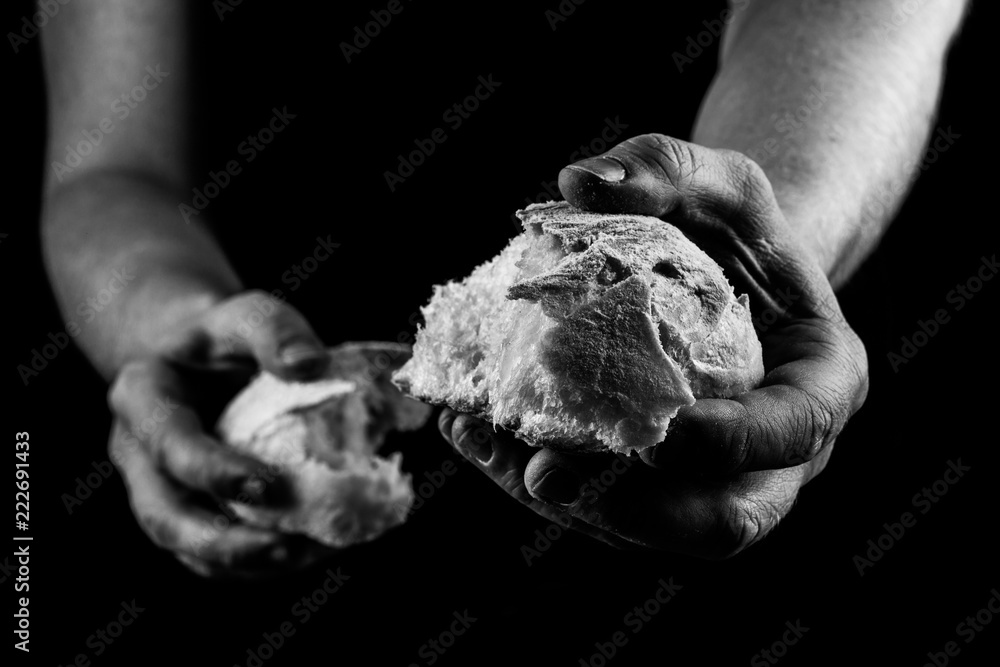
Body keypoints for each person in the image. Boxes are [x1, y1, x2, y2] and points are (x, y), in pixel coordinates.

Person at [40, 0, 968, 575]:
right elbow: (106, 172)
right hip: (273, 484)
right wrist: (171, 320)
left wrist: (753, 249)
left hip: (717, 500)